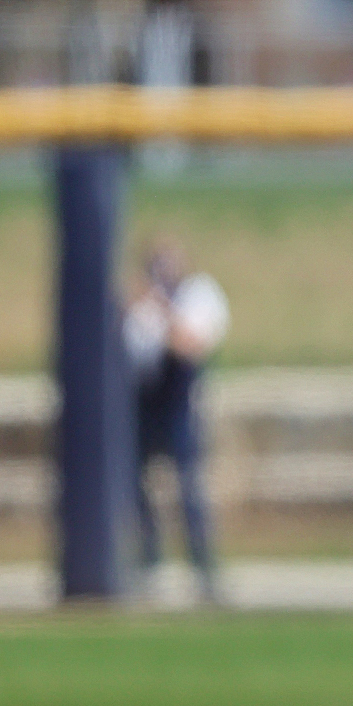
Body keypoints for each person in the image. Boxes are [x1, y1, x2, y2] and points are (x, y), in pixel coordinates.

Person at [124, 239, 230, 605]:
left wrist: (161, 306)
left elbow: (189, 343)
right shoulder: (136, 305)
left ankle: (203, 566)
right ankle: (148, 560)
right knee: (133, 482)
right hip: (141, 400)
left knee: (188, 484)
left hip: (178, 402)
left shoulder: (199, 294)